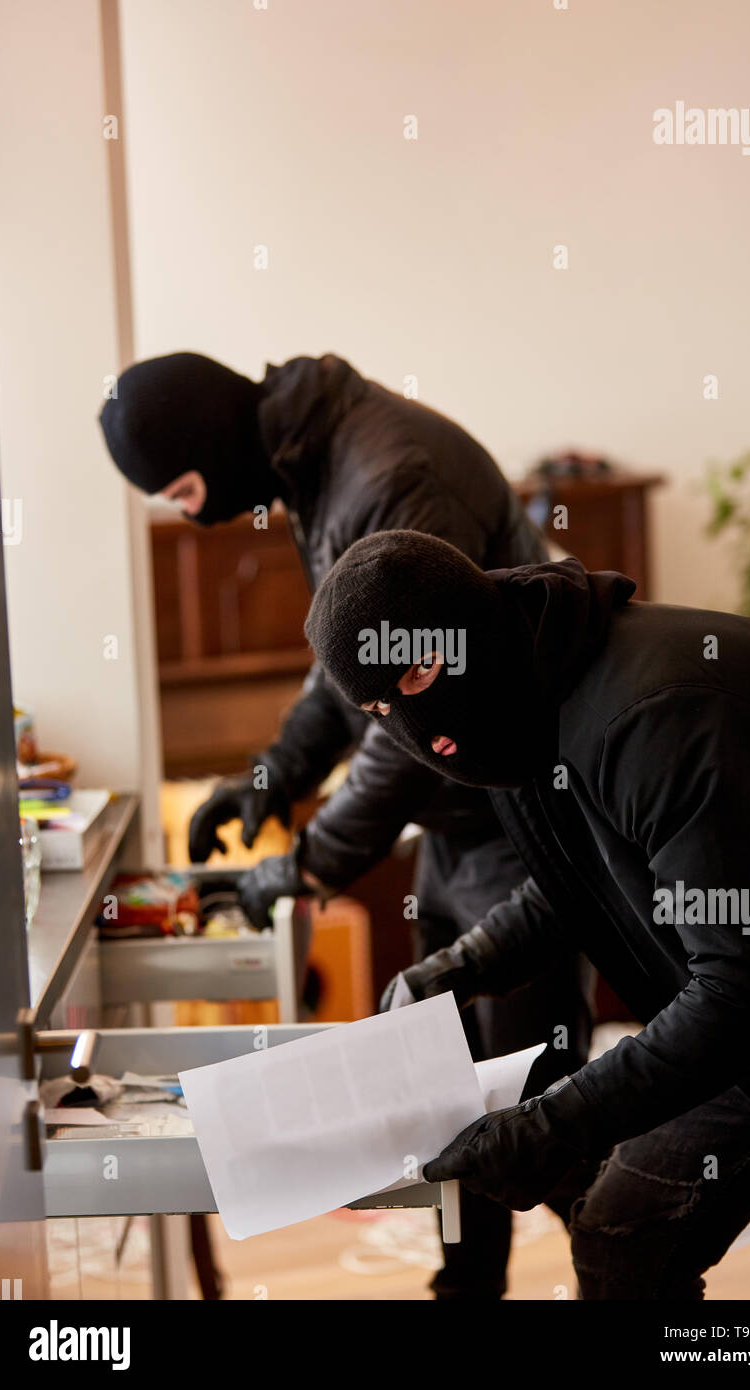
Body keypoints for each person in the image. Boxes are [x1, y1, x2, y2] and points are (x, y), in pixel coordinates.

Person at [100, 350, 591, 1299]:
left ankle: (638, 1270)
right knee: (452, 1093)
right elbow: (347, 662)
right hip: (460, 823)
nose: (198, 516)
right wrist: (272, 777)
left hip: (522, 819)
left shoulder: (391, 474)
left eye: (191, 490)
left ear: (209, 445)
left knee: (539, 1116)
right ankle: (470, 1288)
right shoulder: (319, 467)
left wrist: (312, 862)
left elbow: (401, 716)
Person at [304, 527, 750, 1300]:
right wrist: (465, 964)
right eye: (381, 704)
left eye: (419, 674)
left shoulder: (657, 715)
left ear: (464, 633)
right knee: (624, 1236)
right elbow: (586, 876)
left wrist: (557, 1123)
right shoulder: (527, 696)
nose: (417, 729)